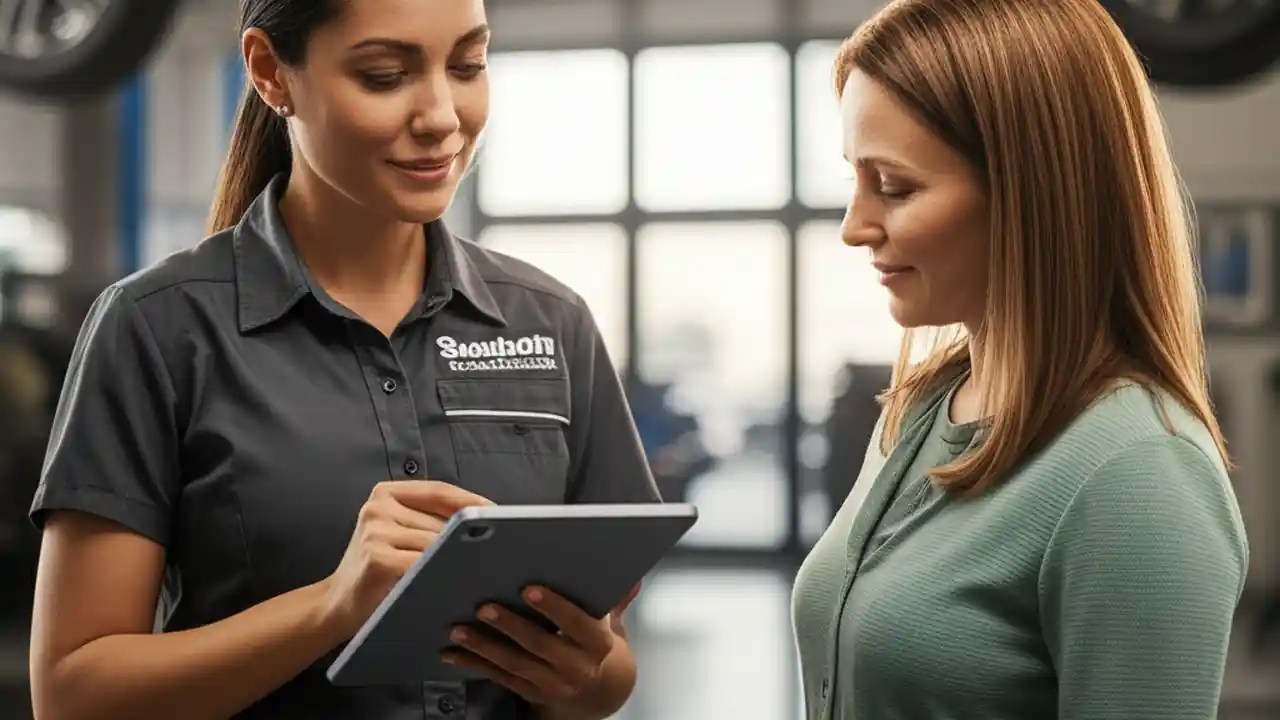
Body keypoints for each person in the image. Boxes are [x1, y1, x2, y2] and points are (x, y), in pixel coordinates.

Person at [27, 1, 660, 718]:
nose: (442, 117)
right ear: (271, 72)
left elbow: (610, 672)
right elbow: (73, 694)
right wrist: (332, 605)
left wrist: (579, 674)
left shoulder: (550, 321)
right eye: (385, 75)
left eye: (467, 66)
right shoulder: (156, 329)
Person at [792, 1, 1250, 719]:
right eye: (856, 178)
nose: (855, 227)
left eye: (896, 187)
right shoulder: (921, 409)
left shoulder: (1136, 473)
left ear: (1030, 190)